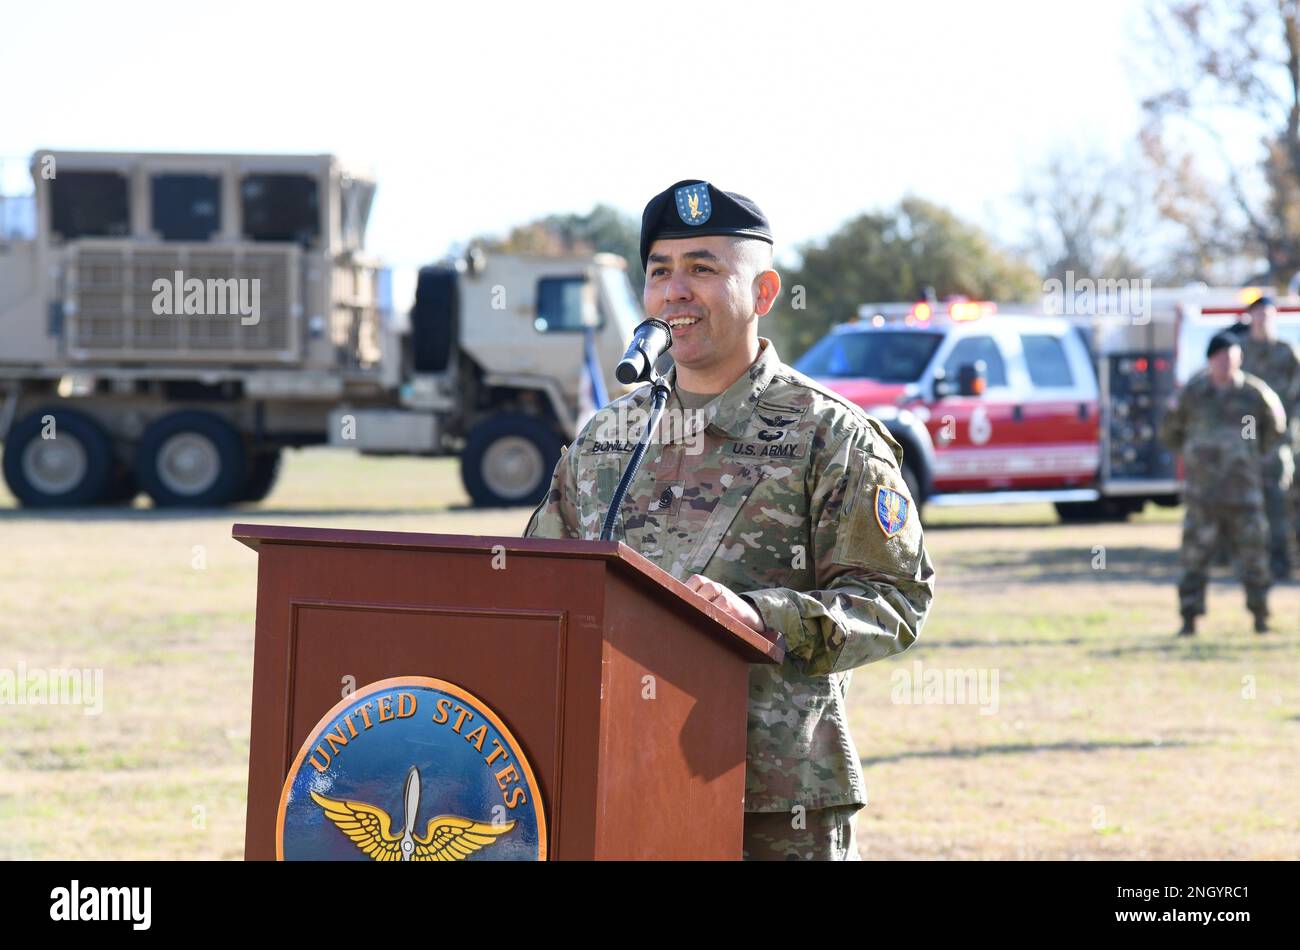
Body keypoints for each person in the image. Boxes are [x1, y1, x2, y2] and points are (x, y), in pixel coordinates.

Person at [524, 179, 935, 859]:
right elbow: (538, 587)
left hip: (771, 801)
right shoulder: (605, 438)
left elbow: (894, 601)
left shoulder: (830, 436)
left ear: (764, 293)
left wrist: (762, 616)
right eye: (660, 271)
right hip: (612, 780)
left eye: (703, 269)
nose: (675, 292)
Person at [1159, 331, 1287, 635]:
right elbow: (1170, 431)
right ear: (1210, 360)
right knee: (1194, 558)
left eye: (1231, 357)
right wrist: (1194, 454)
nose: (1225, 363)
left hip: (1243, 493)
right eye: (1219, 358)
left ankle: (1260, 616)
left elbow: (1275, 428)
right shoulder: (1193, 393)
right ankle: (1189, 618)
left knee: (1254, 558)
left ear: (1239, 359)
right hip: (1202, 494)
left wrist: (1249, 455)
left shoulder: (1254, 393)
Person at [1235, 296, 1300, 579]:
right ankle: (1244, 560)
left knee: (1279, 501)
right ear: (1251, 316)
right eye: (1258, 313)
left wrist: (1290, 427)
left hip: (1279, 439)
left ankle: (1280, 561)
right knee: (1243, 501)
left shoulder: (1286, 352)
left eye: (1268, 314)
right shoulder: (1239, 351)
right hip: (1244, 439)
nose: (1263, 319)